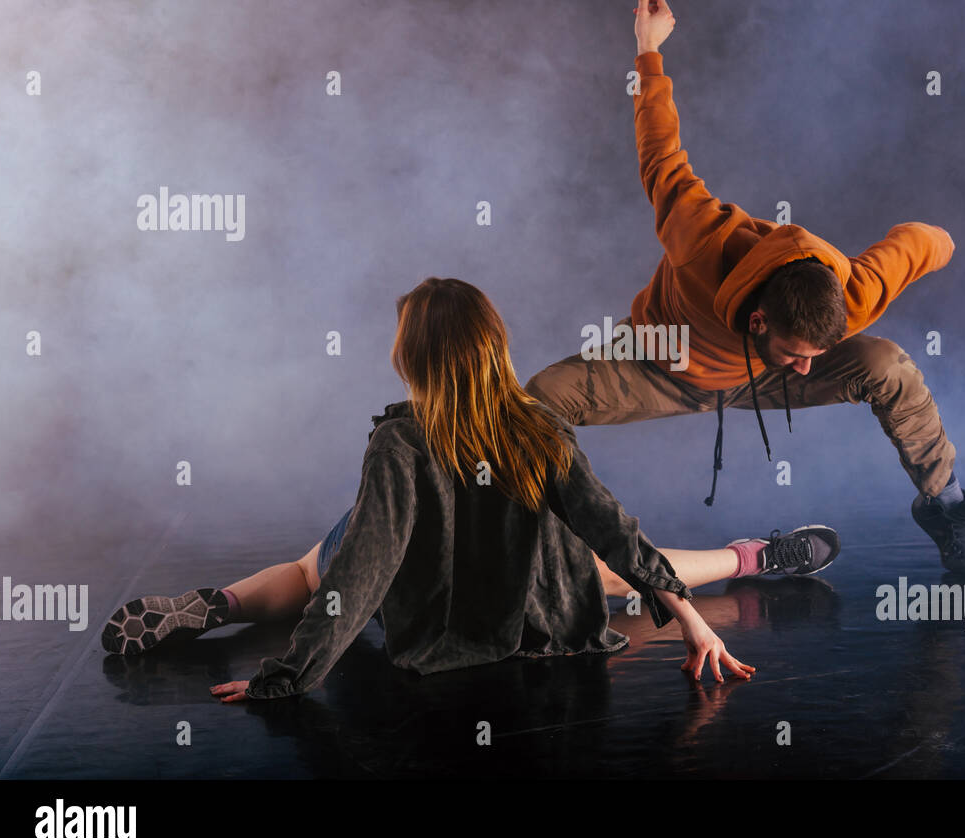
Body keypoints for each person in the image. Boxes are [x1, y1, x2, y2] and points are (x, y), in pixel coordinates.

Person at [100, 278, 841, 701]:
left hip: (428, 603)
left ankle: (221, 603)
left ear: (412, 357)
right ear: (494, 348)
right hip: (525, 596)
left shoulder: (400, 442)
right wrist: (690, 620)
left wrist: (288, 675)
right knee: (604, 571)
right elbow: (615, 526)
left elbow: (362, 569)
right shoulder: (540, 425)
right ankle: (754, 557)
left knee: (309, 569)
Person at [524, 0, 965, 577]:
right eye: (798, 354)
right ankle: (543, 538)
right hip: (656, 364)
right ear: (758, 319)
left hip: (757, 381)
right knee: (537, 399)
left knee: (888, 365)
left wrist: (954, 238)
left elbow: (920, 241)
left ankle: (946, 507)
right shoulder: (701, 237)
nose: (807, 367)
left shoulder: (851, 297)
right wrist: (648, 49)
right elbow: (660, 151)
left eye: (812, 356)